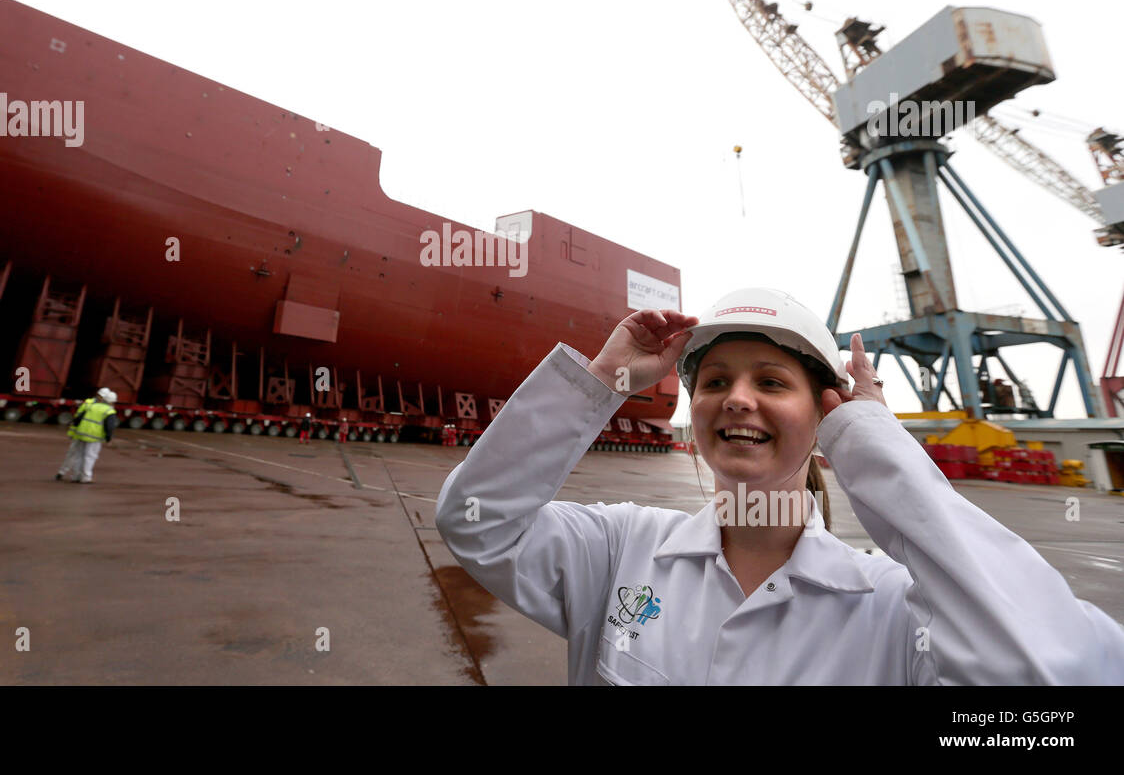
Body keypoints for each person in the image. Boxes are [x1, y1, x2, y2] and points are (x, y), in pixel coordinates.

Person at [435, 287, 1124, 684]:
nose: (737, 399)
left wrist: (875, 445)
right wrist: (602, 379)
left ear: (827, 411)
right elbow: (476, 519)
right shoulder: (621, 548)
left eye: (770, 381)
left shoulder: (891, 608)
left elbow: (1047, 681)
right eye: (714, 382)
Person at [56, 387, 118, 483]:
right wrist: (108, 438)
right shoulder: (109, 411)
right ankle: (85, 477)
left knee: (78, 455)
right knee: (90, 457)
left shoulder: (91, 406)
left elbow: (78, 418)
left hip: (80, 433)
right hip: (94, 437)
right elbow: (109, 426)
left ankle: (75, 476)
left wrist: (73, 429)